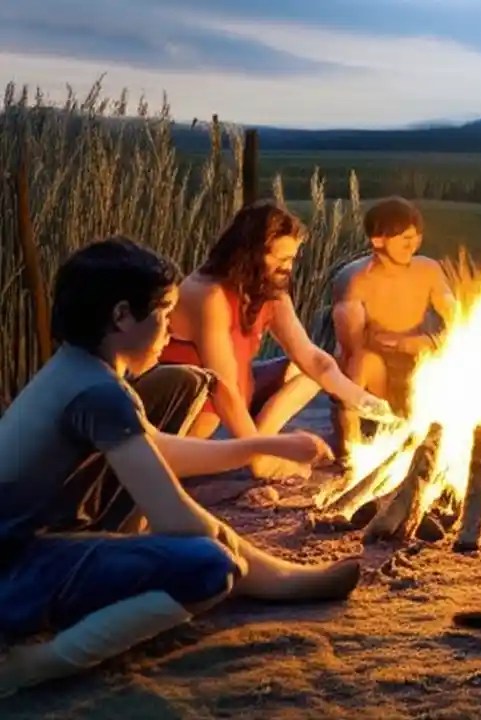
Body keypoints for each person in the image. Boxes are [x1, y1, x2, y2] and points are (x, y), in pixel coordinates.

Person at [0, 238, 362, 697]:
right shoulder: (97, 392)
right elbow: (179, 521)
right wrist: (248, 564)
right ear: (122, 316)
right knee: (208, 566)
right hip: (14, 569)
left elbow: (152, 450)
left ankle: (268, 577)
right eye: (165, 315)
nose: (171, 331)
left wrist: (268, 445)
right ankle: (33, 665)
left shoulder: (77, 367)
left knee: (182, 385)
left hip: (34, 539)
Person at [156, 200, 396, 480]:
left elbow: (311, 358)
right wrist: (258, 454)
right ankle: (254, 457)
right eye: (280, 259)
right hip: (192, 401)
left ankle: (261, 442)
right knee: (213, 410)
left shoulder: (269, 288)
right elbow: (223, 388)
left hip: (237, 388)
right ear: (250, 253)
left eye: (292, 259)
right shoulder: (210, 296)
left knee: (308, 372)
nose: (288, 268)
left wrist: (370, 404)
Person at [329, 197, 456, 459]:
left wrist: (429, 342)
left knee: (452, 359)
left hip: (419, 365)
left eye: (416, 236)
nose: (412, 244)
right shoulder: (355, 280)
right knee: (362, 362)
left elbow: (458, 318)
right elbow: (348, 347)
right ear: (378, 240)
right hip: (377, 375)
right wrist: (385, 345)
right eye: (403, 237)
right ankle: (350, 451)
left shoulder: (428, 270)